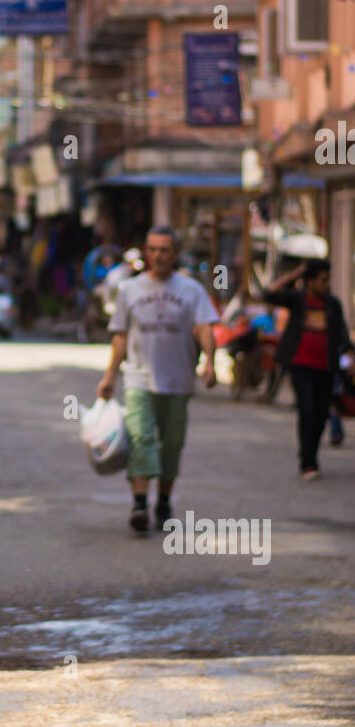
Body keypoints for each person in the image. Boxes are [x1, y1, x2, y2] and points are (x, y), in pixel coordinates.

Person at [97, 226, 218, 534]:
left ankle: (163, 502)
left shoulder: (191, 290)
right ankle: (139, 503)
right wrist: (110, 375)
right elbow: (120, 336)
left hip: (179, 380)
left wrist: (211, 363)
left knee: (171, 446)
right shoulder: (129, 290)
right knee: (141, 440)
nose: (158, 256)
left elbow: (205, 328)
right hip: (138, 378)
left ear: (175, 253)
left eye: (165, 250)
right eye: (153, 249)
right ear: (146, 252)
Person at [262, 258, 354, 480]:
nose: (327, 284)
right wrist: (295, 275)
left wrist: (350, 355)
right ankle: (307, 461)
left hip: (326, 366)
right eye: (323, 280)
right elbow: (268, 293)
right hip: (300, 364)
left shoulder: (332, 303)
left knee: (321, 413)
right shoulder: (297, 299)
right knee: (307, 408)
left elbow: (341, 332)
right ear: (310, 281)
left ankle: (310, 454)